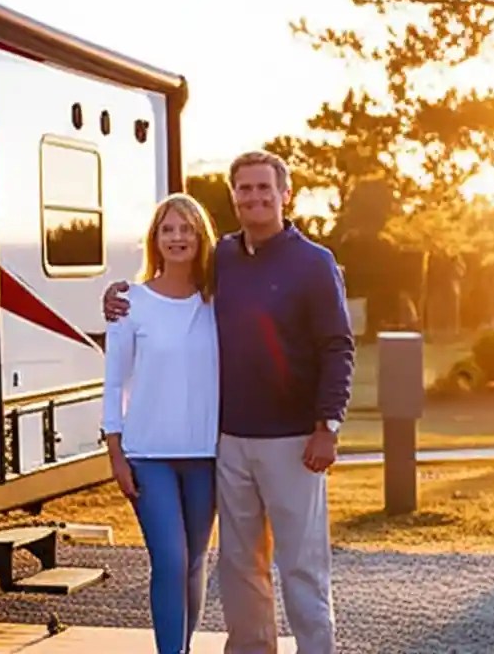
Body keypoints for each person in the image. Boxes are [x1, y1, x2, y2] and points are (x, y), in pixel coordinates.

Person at [103, 150, 354, 654]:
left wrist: (327, 425)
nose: (255, 197)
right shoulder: (224, 260)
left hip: (295, 442)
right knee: (240, 565)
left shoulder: (314, 262)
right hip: (230, 442)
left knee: (301, 564)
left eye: (265, 188)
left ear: (286, 195)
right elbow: (168, 284)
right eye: (245, 189)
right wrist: (116, 294)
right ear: (233, 197)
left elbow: (338, 346)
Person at [101, 192, 222, 654]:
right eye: (168, 229)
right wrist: (116, 453)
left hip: (206, 456)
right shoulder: (130, 302)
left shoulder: (217, 302)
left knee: (194, 562)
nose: (177, 237)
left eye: (186, 229)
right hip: (147, 455)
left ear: (200, 237)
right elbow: (114, 384)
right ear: (155, 239)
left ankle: (184, 647)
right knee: (169, 561)